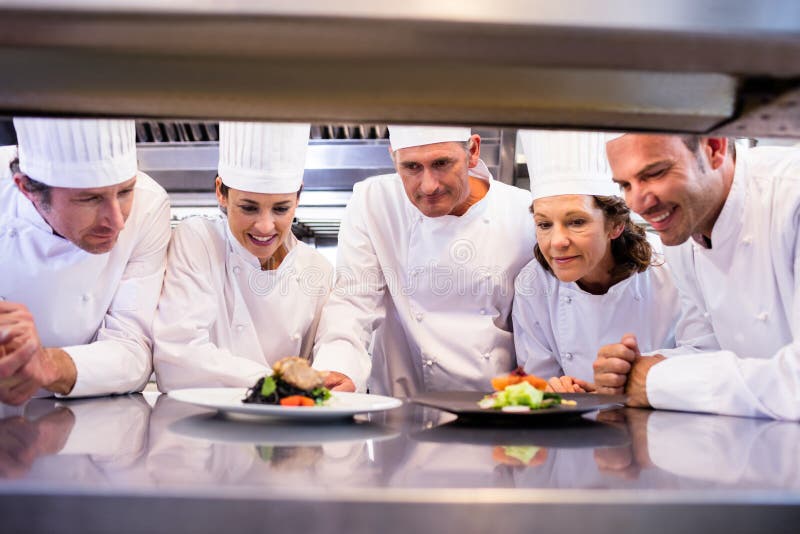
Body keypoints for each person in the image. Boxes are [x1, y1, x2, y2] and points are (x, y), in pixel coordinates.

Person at [313, 125, 536, 396]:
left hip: (498, 410)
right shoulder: (373, 202)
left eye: (441, 163)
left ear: (473, 151)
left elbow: (536, 324)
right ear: (393, 157)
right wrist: (339, 367)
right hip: (403, 409)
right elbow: (354, 299)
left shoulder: (524, 213)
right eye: (411, 167)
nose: (429, 185)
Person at [594, 134, 800, 420]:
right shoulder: (683, 232)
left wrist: (657, 381)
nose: (638, 203)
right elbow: (706, 348)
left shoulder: (792, 195)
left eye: (654, 174)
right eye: (625, 185)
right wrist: (633, 370)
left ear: (714, 148)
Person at [0, 118, 171, 405]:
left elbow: (131, 350)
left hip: (75, 413)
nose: (117, 221)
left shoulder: (149, 206)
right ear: (27, 189)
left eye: (125, 191)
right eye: (90, 199)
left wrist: (47, 365)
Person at [153, 122, 334, 391]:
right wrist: (277, 384)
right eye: (248, 208)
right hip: (202, 426)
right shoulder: (199, 239)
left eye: (281, 209)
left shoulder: (316, 268)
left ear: (298, 199)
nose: (265, 226)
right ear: (220, 192)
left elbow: (320, 367)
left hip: (285, 424)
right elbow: (177, 360)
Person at [513, 130, 679, 393]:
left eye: (576, 222)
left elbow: (702, 359)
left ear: (615, 225)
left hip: (657, 425)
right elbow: (537, 382)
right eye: (544, 224)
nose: (557, 241)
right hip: (570, 429)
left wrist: (637, 378)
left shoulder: (671, 273)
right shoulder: (532, 284)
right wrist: (554, 391)